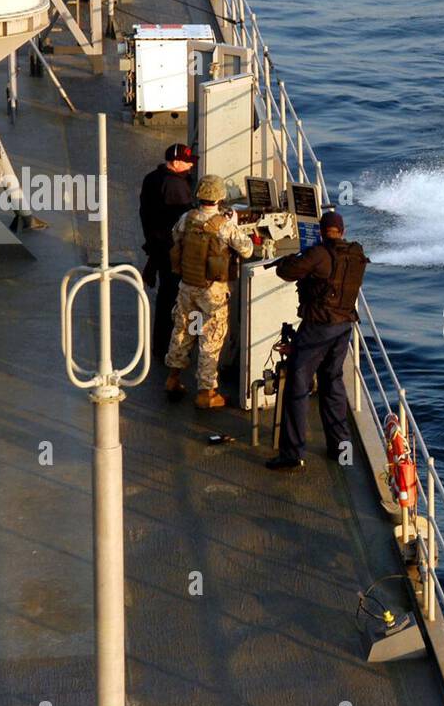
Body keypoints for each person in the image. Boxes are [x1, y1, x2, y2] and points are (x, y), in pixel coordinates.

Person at [266, 211, 370, 472]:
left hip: (319, 327)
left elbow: (288, 272)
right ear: (342, 231)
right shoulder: (356, 254)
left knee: (297, 385)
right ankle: (340, 447)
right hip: (344, 326)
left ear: (322, 232)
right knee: (332, 381)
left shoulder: (319, 254)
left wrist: (289, 258)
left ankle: (292, 452)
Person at [164, 174, 255, 408]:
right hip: (211, 291)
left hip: (187, 286)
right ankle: (206, 392)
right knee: (210, 339)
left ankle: (173, 378)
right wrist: (232, 223)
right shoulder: (223, 226)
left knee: (184, 330)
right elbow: (246, 250)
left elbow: (175, 235)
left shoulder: (187, 218)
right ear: (220, 197)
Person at [139, 144, 197, 357]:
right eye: (187, 161)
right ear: (175, 162)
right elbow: (184, 222)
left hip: (157, 244)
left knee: (165, 297)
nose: (191, 165)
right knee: (176, 299)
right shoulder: (175, 186)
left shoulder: (152, 178)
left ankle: (160, 345)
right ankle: (172, 349)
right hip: (171, 250)